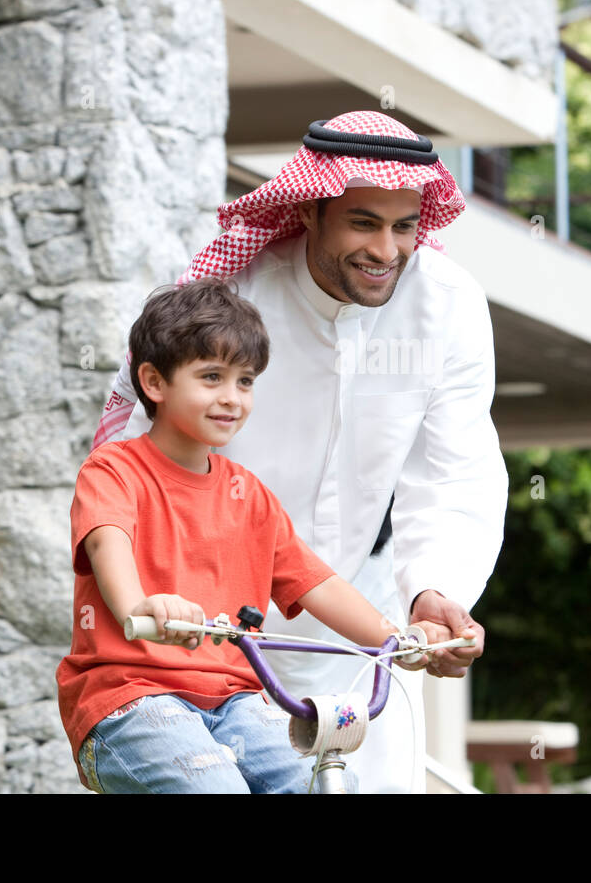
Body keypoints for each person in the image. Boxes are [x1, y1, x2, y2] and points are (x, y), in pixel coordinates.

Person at [90, 111, 509, 792]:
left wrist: (435, 594)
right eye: (363, 223)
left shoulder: (450, 305)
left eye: (404, 227)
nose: (387, 249)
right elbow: (134, 464)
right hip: (202, 630)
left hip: (355, 625)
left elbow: (454, 473)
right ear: (310, 209)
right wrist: (147, 601)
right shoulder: (229, 297)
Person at [57, 277, 431, 793]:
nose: (231, 398)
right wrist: (142, 607)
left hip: (236, 701)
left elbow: (315, 583)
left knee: (320, 781)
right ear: (154, 382)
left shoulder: (249, 494)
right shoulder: (114, 471)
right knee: (217, 787)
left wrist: (395, 638)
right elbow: (108, 544)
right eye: (211, 377)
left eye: (246, 381)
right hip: (129, 698)